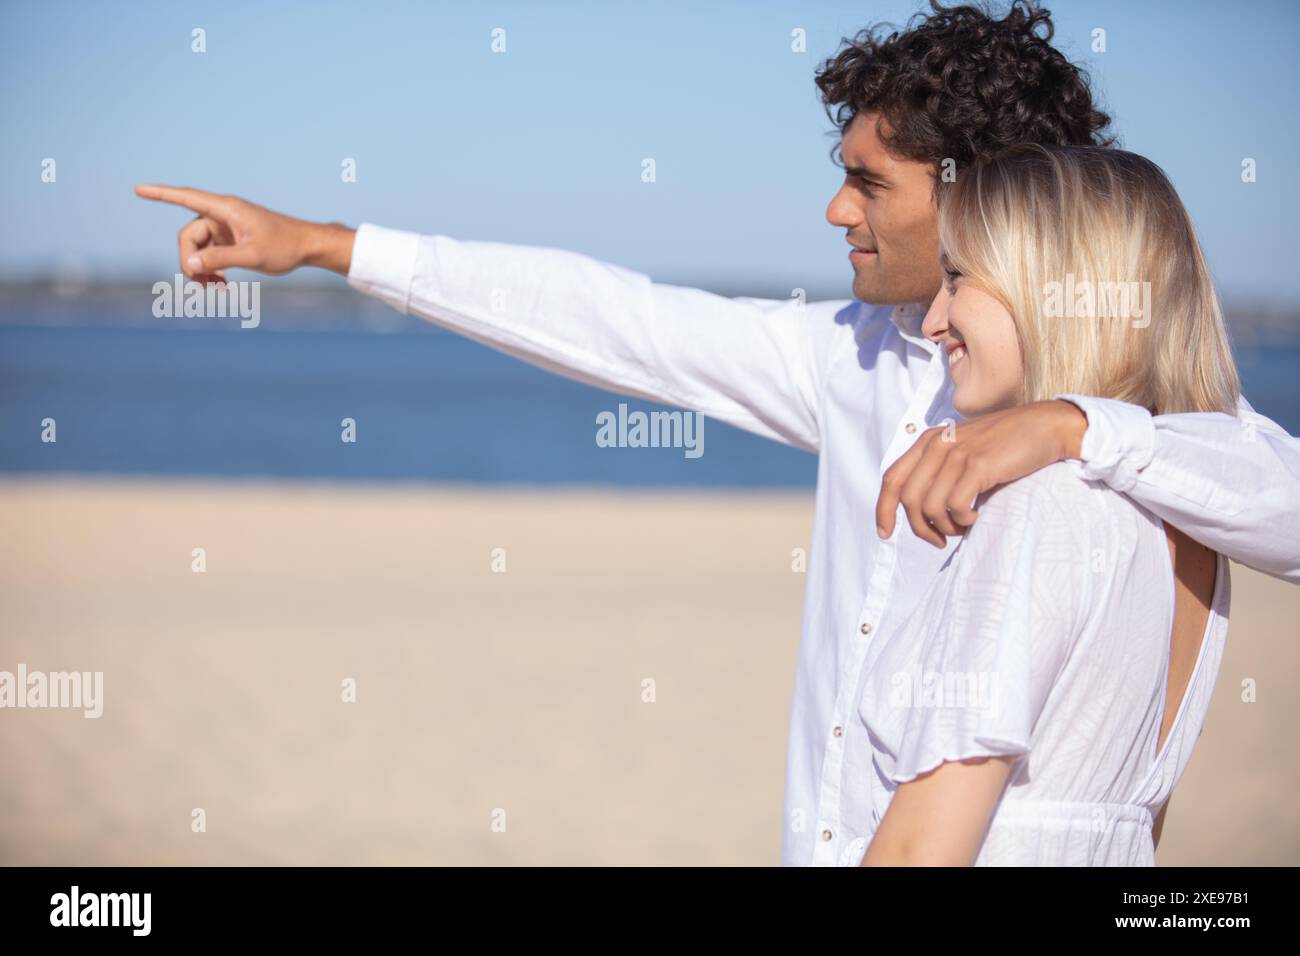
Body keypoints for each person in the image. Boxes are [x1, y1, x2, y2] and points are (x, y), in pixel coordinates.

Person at [133, 1, 1300, 866]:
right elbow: (612, 318)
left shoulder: (1127, 411)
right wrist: (329, 245)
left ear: (980, 192)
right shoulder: (843, 354)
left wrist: (1067, 424)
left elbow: (1280, 501)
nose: (835, 208)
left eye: (867, 181)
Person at [841, 143, 1232, 866]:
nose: (933, 321)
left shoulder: (1040, 511)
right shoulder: (1183, 523)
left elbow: (920, 852)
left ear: (1052, 288)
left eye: (958, 279)